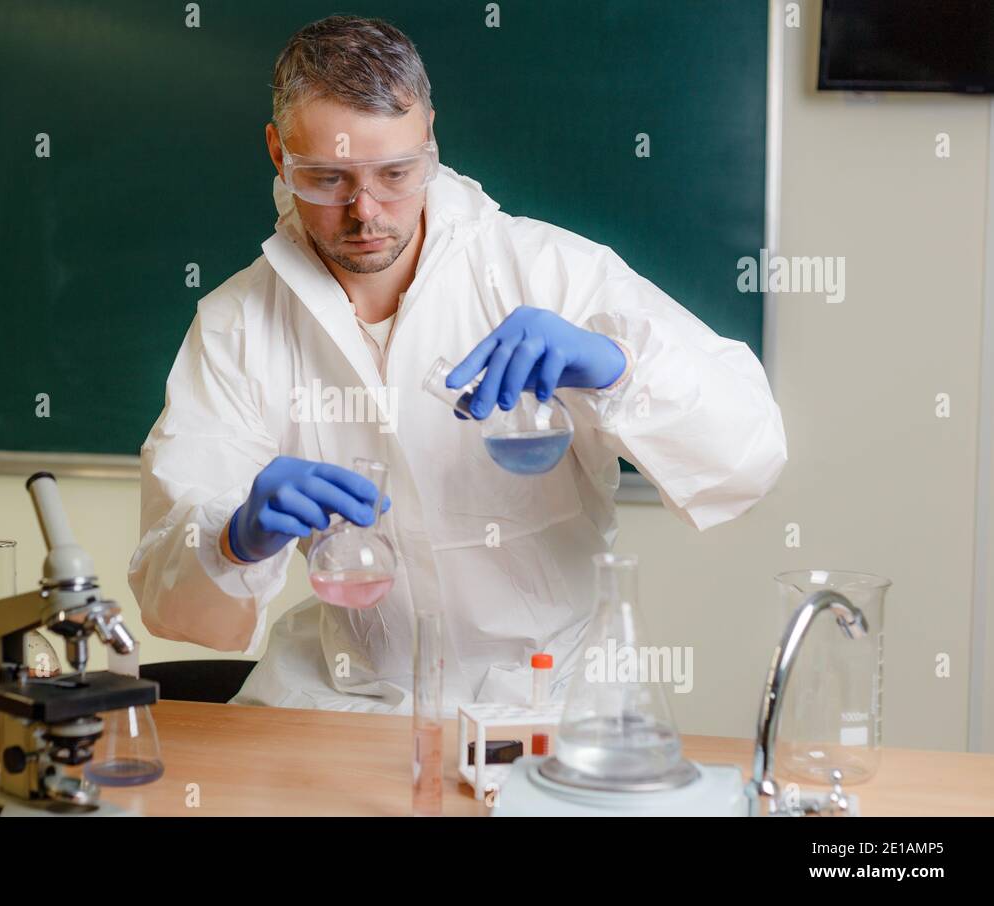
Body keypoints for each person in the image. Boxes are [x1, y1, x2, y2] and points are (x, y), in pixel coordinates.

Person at [129, 15, 786, 712]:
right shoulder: (238, 324)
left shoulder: (550, 272)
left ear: (431, 137)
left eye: (396, 173)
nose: (366, 212)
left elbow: (749, 455)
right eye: (327, 179)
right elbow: (173, 608)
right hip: (343, 701)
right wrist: (233, 539)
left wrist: (617, 368)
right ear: (277, 153)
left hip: (552, 706)